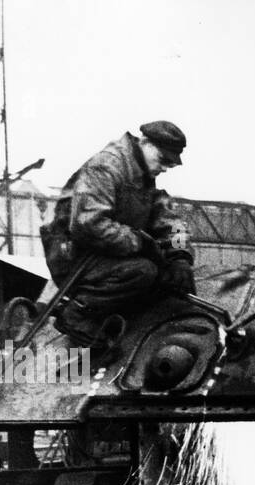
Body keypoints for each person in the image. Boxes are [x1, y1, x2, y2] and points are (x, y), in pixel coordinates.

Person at [41, 121, 196, 343]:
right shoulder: (106, 167)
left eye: (170, 165)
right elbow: (88, 224)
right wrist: (139, 242)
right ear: (144, 143)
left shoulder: (143, 177)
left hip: (108, 255)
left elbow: (171, 221)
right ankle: (77, 314)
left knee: (166, 277)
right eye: (163, 160)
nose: (164, 168)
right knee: (143, 271)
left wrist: (179, 255)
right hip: (75, 256)